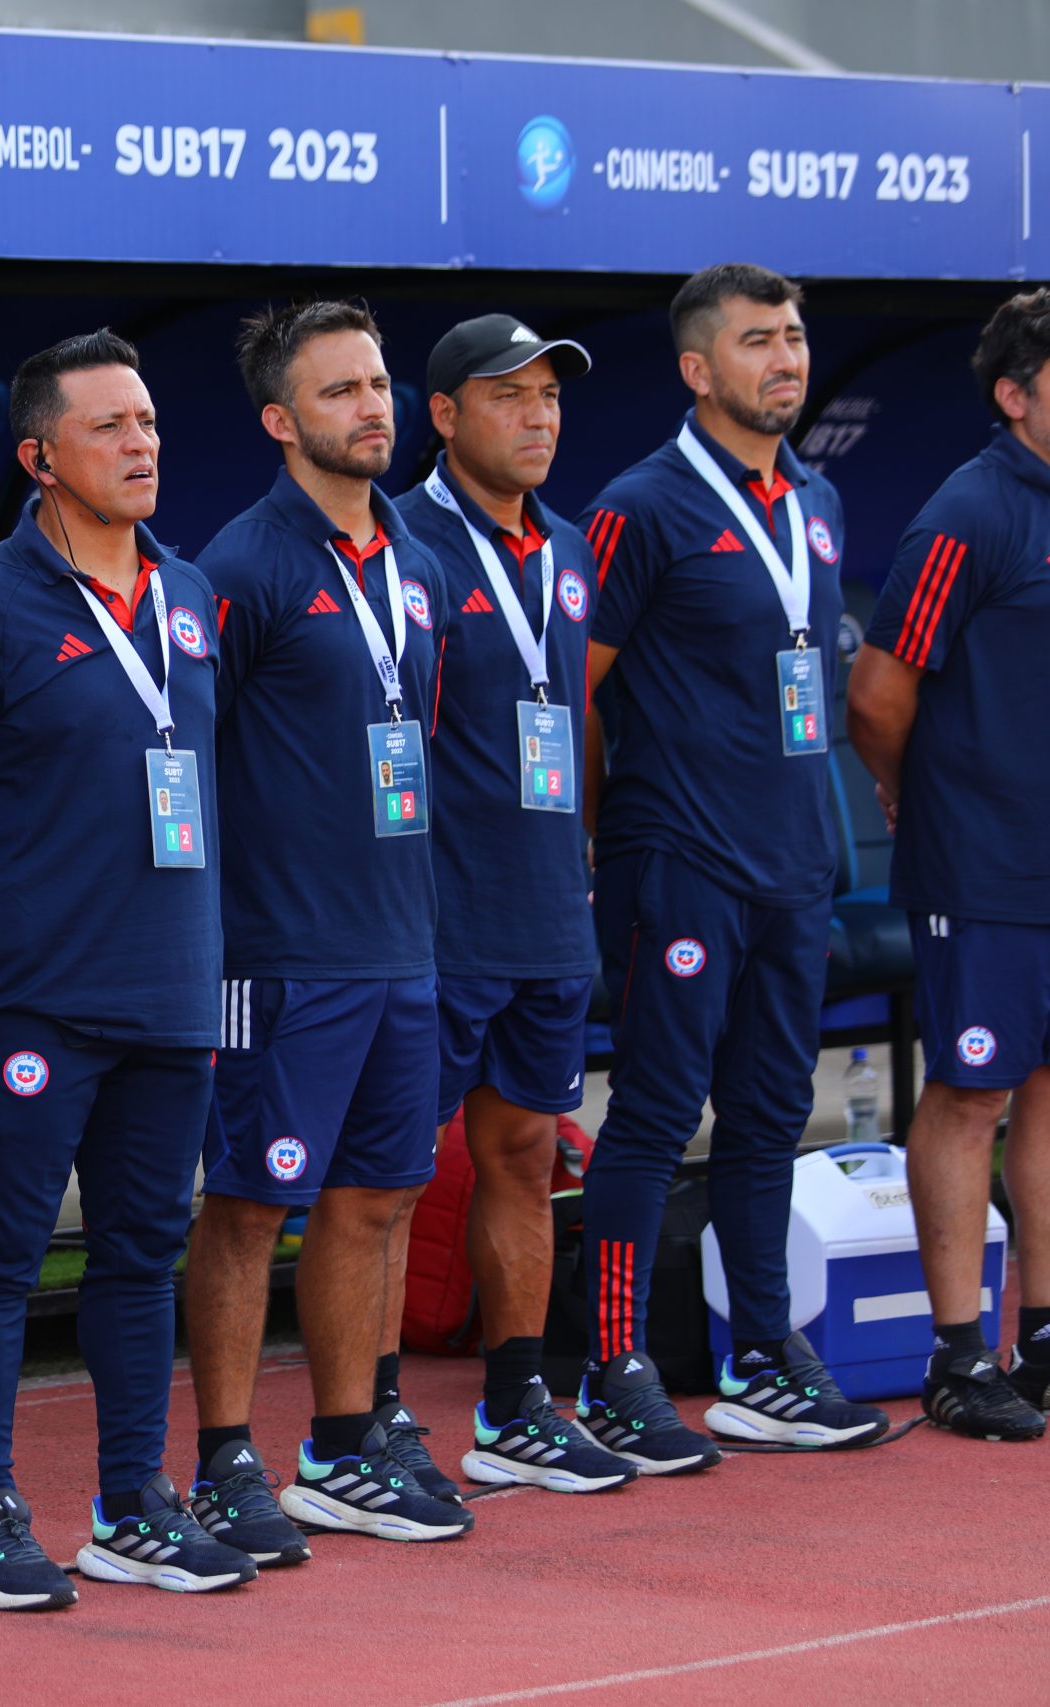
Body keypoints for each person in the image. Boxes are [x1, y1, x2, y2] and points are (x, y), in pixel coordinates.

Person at [0, 330, 256, 1610]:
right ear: (41, 459)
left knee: (143, 1256)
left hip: (171, 992)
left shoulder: (196, 597)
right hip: (37, 997)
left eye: (147, 420)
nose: (141, 443)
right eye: (108, 427)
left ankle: (129, 1504)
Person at [573, 263, 888, 1469]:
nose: (789, 358)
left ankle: (763, 1358)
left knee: (767, 1115)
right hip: (678, 860)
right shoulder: (640, 506)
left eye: (797, 337)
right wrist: (601, 844)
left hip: (791, 862)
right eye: (759, 340)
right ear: (699, 368)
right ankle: (614, 1372)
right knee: (654, 1112)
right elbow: (578, 693)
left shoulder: (814, 498)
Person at [180, 299, 473, 1557]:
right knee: (248, 1206)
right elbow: (185, 751)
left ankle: (346, 1443)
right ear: (279, 420)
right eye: (341, 390)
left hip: (400, 943)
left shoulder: (419, 557)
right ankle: (224, 1457)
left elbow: (426, 731)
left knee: (382, 1199)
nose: (372, 407)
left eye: (377, 384)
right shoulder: (240, 566)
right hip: (279, 956)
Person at [389, 316, 639, 1495]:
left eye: (548, 396)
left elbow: (573, 714)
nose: (537, 416)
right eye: (507, 396)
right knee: (383, 1174)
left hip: (546, 910)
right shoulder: (400, 544)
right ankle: (368, 1415)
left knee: (527, 1151)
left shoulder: (574, 547)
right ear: (442, 416)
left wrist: (575, 854)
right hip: (434, 913)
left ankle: (516, 1404)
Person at [846, 289, 1050, 1443]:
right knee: (970, 1092)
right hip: (981, 868)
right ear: (1015, 396)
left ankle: (1043, 1331)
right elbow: (876, 694)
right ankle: (958, 1354)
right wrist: (917, 793)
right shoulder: (968, 512)